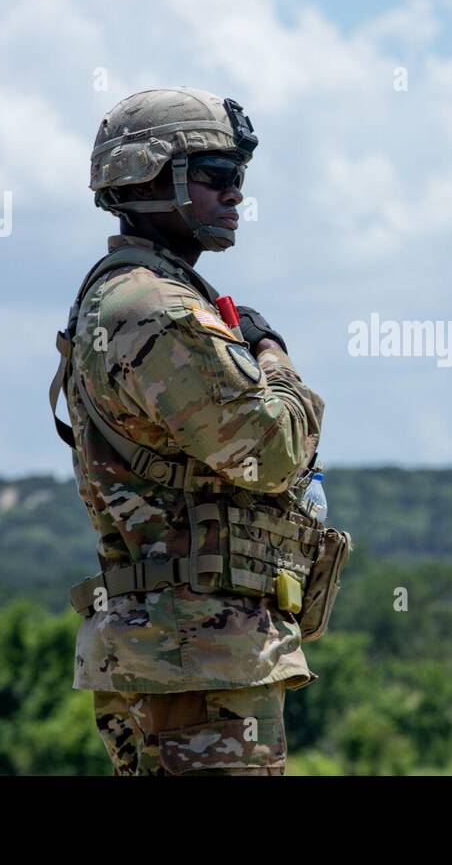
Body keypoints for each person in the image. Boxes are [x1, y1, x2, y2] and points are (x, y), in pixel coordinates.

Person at [50, 87, 350, 776]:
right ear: (151, 176)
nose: (236, 195)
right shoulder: (157, 308)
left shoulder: (134, 296)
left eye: (237, 177)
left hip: (181, 653)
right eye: (216, 175)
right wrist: (271, 352)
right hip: (195, 658)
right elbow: (271, 452)